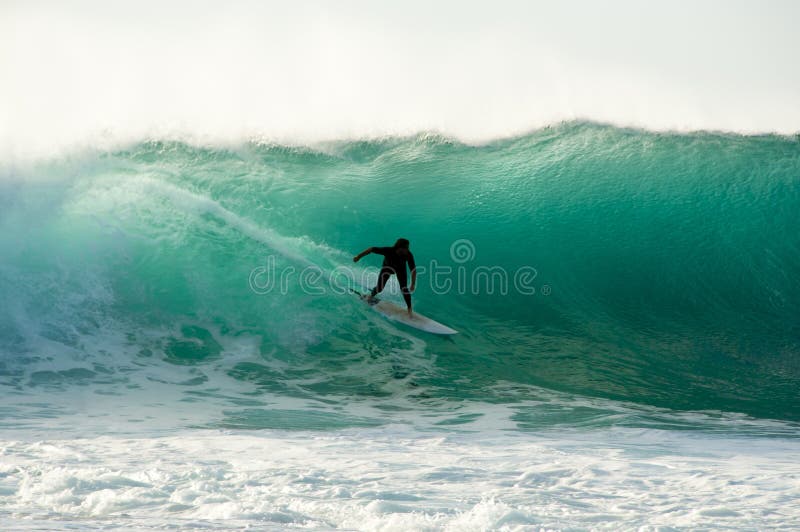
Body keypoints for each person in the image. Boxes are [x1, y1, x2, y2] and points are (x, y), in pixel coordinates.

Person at [353, 238, 417, 316]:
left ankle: (409, 309)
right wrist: (358, 257)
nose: (408, 249)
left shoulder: (408, 255)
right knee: (380, 288)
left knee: (404, 288)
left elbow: (413, 270)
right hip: (387, 269)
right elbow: (371, 249)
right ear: (400, 248)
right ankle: (371, 295)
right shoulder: (389, 250)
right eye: (406, 248)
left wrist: (413, 284)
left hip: (400, 270)